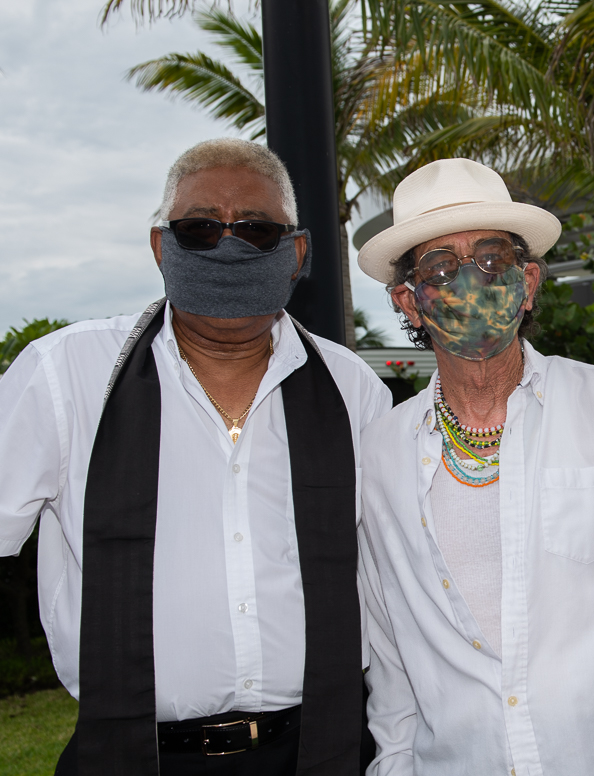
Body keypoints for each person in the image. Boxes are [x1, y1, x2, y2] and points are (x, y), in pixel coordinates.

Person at [0, 138, 390, 775]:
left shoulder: (353, 391)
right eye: (200, 227)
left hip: (321, 751)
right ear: (160, 246)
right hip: (134, 757)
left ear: (297, 252)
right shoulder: (64, 376)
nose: (228, 245)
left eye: (257, 230)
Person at [355, 158, 594, 776]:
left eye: (492, 259)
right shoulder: (380, 451)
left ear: (528, 283)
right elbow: (391, 657)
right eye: (441, 267)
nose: (472, 280)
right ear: (408, 303)